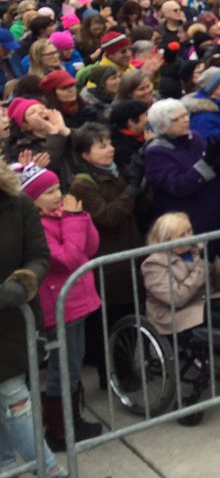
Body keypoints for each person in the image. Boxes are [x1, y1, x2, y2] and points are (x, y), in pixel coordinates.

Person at [19, 164, 103, 450]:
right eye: (49, 192)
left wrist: (81, 218)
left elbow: (90, 247)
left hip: (76, 301)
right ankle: (60, 429)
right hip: (59, 307)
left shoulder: (63, 217)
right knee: (63, 368)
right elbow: (67, 258)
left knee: (74, 363)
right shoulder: (37, 226)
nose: (58, 195)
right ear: (32, 199)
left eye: (58, 189)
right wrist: (73, 219)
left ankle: (71, 419)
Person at [0, 159, 66, 476]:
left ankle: (48, 470)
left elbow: (39, 255)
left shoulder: (17, 203)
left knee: (13, 397)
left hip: (12, 320)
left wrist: (19, 286)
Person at [140, 212, 220, 427]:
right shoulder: (153, 264)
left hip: (203, 303)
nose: (189, 237)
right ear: (166, 239)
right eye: (181, 234)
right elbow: (177, 298)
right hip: (174, 313)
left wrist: (214, 261)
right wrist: (203, 266)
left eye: (189, 231)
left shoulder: (195, 251)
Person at [68, 123, 145, 386]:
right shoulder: (82, 184)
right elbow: (107, 216)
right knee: (108, 323)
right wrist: (130, 192)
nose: (110, 149)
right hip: (108, 263)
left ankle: (126, 368)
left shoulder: (115, 172)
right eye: (102, 146)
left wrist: (141, 185)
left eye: (110, 143)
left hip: (128, 256)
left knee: (129, 316)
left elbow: (134, 209)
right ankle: (112, 374)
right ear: (85, 154)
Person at [142, 99, 220, 264]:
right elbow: (179, 186)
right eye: (177, 119)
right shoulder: (156, 153)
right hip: (190, 225)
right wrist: (206, 163)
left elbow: (210, 175)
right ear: (162, 126)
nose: (185, 120)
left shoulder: (196, 138)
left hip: (216, 215)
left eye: (186, 115)